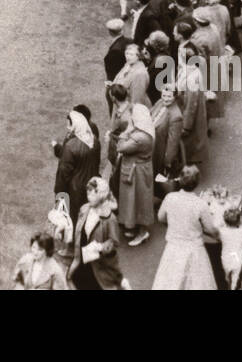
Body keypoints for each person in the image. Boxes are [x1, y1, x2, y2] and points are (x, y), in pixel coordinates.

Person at [151, 166, 219, 290]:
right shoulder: (200, 204)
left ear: (180, 180)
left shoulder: (170, 198)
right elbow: (211, 229)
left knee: (171, 283)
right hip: (194, 250)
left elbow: (161, 218)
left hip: (173, 248)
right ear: (197, 182)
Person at [69, 176, 130, 289]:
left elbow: (114, 242)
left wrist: (101, 247)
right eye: (88, 194)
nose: (89, 197)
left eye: (92, 194)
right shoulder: (84, 209)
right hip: (83, 261)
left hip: (99, 266)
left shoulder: (110, 219)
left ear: (101, 195)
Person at [115, 104, 156, 246]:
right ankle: (134, 226)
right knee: (137, 200)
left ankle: (142, 231)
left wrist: (125, 132)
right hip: (141, 169)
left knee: (137, 200)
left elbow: (121, 147)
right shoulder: (147, 131)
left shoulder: (139, 137)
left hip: (136, 171)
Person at [53, 108, 100, 219]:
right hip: (90, 184)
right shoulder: (94, 141)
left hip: (73, 189)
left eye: (69, 125)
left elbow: (63, 173)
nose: (68, 128)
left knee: (70, 217)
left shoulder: (71, 146)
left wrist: (59, 193)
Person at [220, 203, 242, 289]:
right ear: (239, 220)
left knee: (227, 280)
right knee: (235, 280)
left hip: (225, 260)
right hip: (238, 260)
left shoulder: (222, 232)